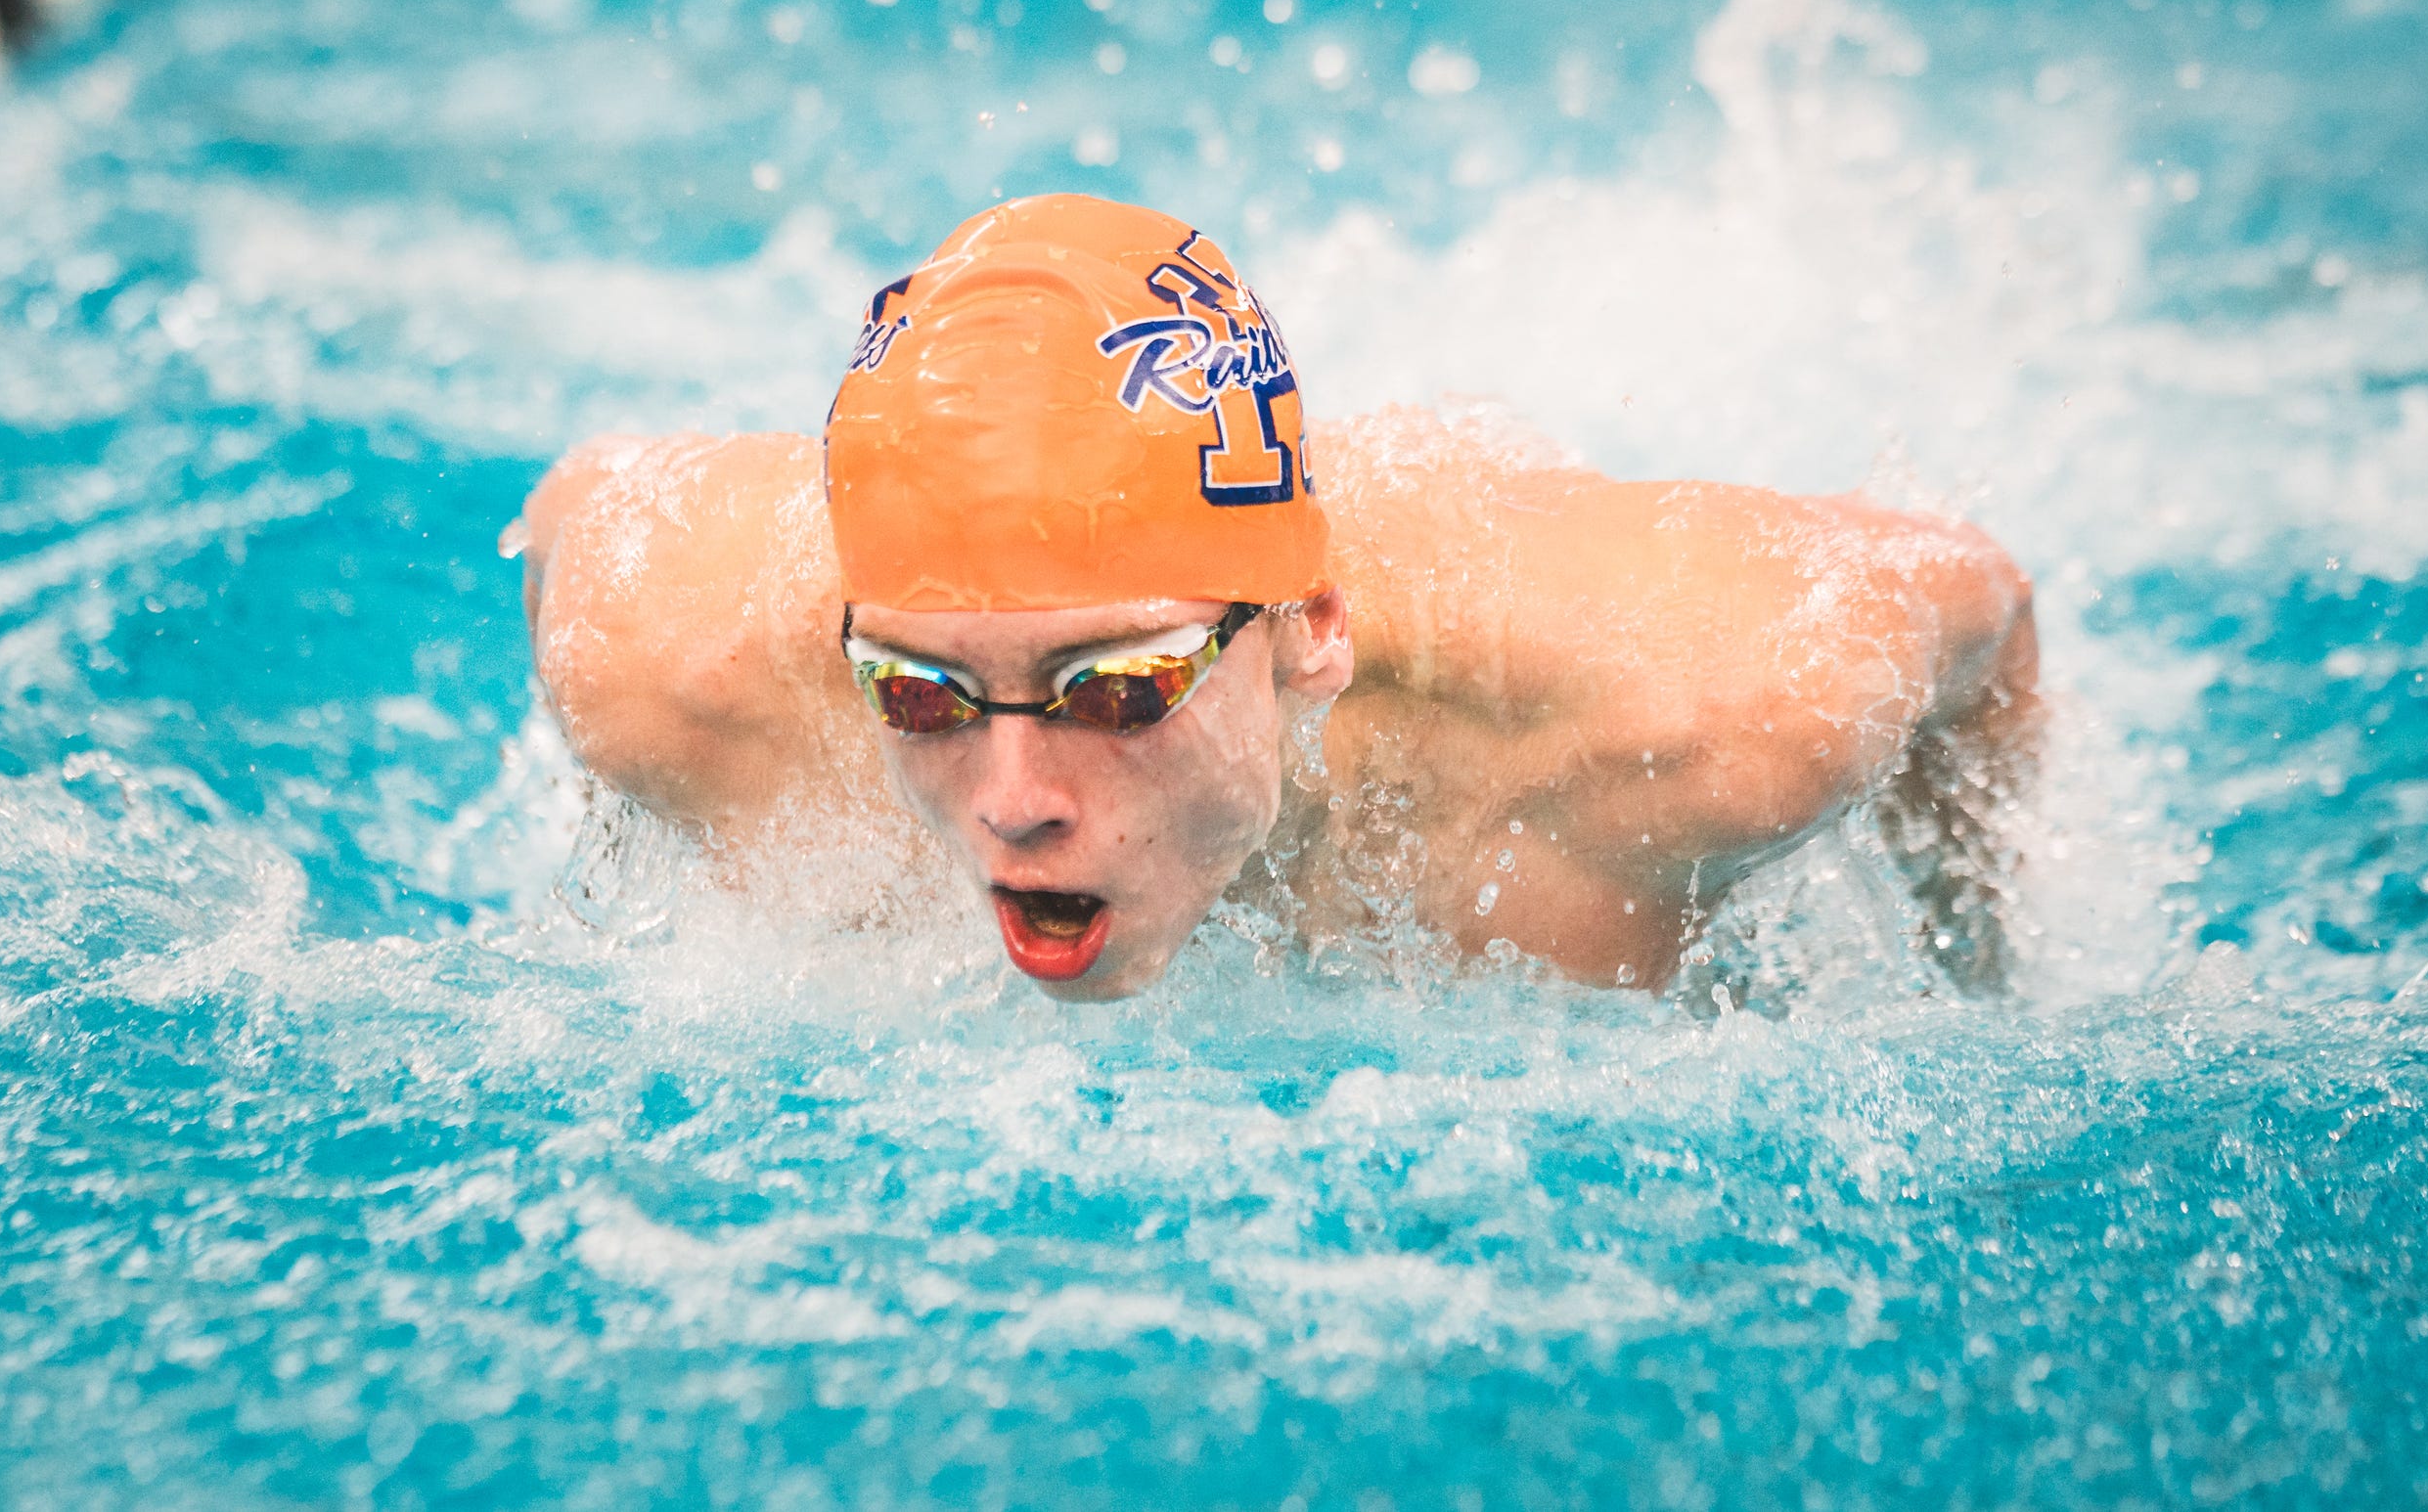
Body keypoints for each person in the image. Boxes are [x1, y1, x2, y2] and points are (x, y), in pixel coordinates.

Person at [513, 195, 2038, 1001]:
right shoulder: (666, 662)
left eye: (1119, 690)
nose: (1016, 797)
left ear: (1308, 631)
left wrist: (1986, 963)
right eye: (923, 695)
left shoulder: (1706, 704)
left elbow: (1986, 604)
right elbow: (580, 510)